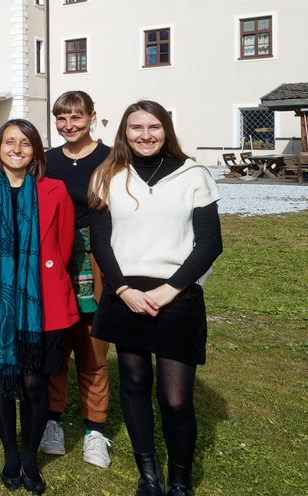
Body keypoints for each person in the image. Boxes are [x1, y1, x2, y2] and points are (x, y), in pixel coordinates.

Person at [88, 101, 222, 496]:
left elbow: (210, 243)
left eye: (154, 127)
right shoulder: (107, 175)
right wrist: (124, 290)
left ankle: (179, 481)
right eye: (136, 128)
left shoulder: (194, 174)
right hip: (125, 293)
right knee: (133, 381)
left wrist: (169, 289)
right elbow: (100, 242)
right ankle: (149, 475)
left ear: (166, 130)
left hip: (176, 293)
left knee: (176, 397)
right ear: (124, 133)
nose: (145, 135)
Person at [0, 119, 78, 494]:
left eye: (26, 143)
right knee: (0, 378)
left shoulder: (55, 190)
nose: (17, 148)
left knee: (34, 383)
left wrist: (32, 280)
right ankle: (10, 454)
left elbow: (62, 248)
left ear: (35, 152)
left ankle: (30, 458)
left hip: (41, 302)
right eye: (9, 141)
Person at [39, 91, 114, 468]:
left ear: (92, 117)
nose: (69, 126)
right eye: (62, 119)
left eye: (77, 118)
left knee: (92, 347)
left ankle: (95, 429)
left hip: (97, 262)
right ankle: (52, 421)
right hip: (54, 259)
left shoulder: (112, 159)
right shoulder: (48, 160)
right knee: (56, 344)